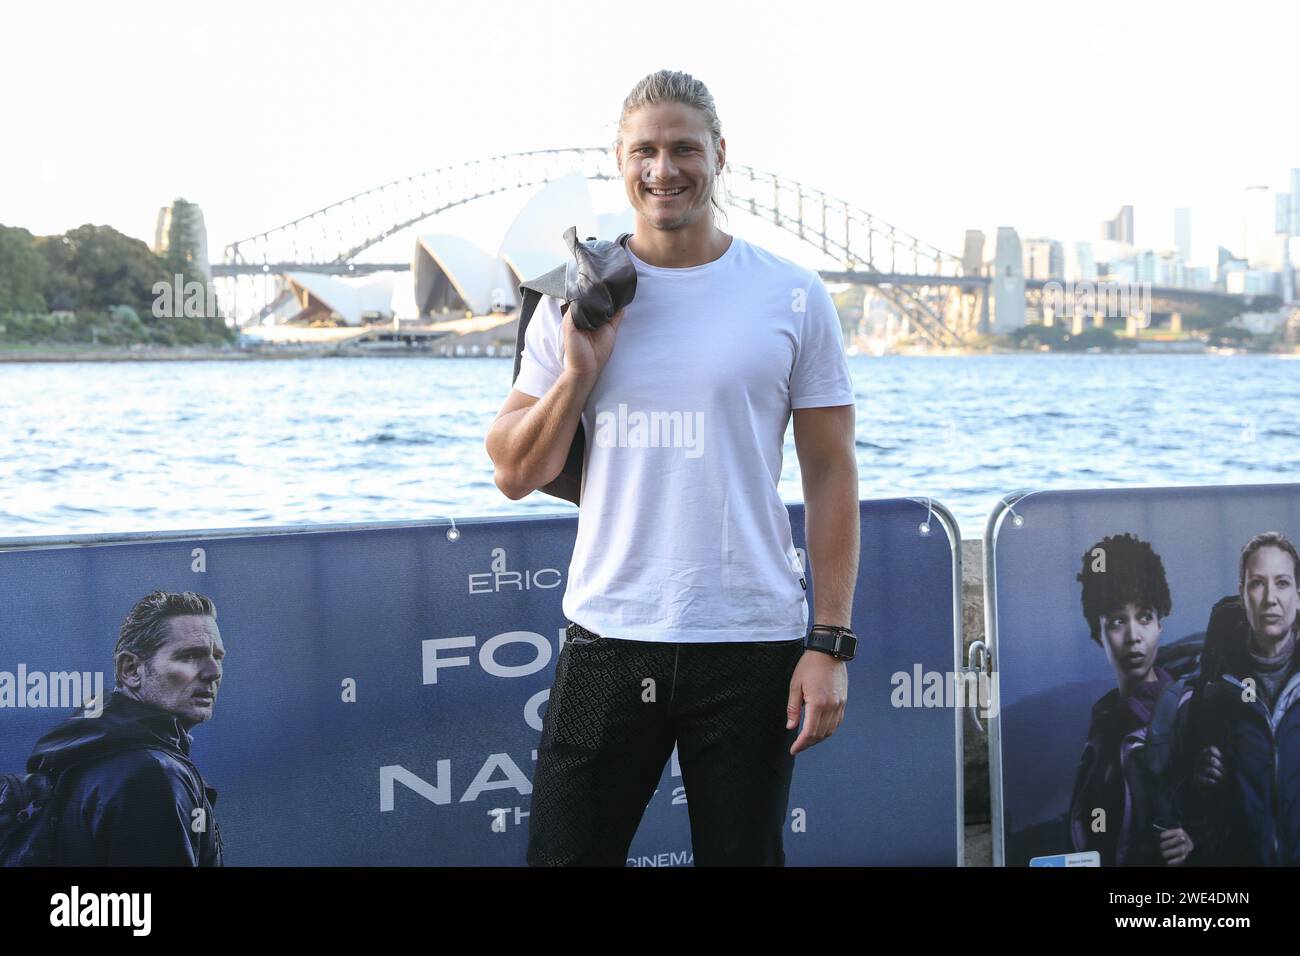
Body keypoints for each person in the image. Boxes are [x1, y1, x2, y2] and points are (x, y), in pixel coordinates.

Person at [485, 69, 859, 866]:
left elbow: (830, 472)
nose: (665, 170)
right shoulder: (566, 296)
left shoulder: (791, 295)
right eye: (645, 151)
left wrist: (828, 643)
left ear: (720, 155)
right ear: (618, 162)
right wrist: (582, 373)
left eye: (684, 148)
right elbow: (514, 471)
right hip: (608, 634)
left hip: (751, 641)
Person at [25, 589, 226, 866]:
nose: (213, 672)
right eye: (190, 656)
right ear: (130, 670)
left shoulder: (86, 754)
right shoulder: (153, 774)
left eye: (218, 656)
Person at [1067, 533, 1199, 866]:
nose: (1133, 637)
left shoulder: (1189, 712)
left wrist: (1193, 841)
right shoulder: (1105, 720)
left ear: (1160, 626)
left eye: (1144, 617)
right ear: (1098, 633)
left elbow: (1227, 811)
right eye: (1116, 621)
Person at [1191, 531, 1300, 865]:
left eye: (1282, 583)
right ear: (1242, 595)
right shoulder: (1214, 691)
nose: (1270, 598)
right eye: (1257, 583)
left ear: (1299, 595)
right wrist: (1199, 776)